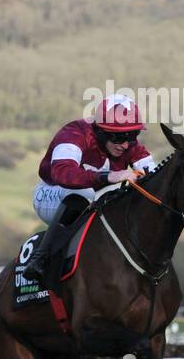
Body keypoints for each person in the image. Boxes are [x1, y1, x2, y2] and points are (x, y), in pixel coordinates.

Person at [19, 94, 156, 282]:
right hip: (52, 193)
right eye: (118, 137)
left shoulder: (128, 144)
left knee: (121, 195)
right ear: (100, 131)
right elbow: (63, 173)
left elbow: (154, 175)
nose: (125, 144)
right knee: (84, 192)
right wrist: (109, 176)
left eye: (132, 136)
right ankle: (40, 259)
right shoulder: (74, 133)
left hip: (91, 194)